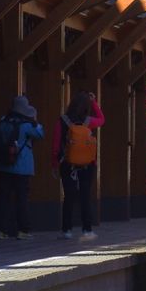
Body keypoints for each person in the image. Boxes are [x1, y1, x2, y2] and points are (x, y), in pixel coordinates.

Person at [0, 95, 43, 239]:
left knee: (3, 198)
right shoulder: (26, 125)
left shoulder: (3, 121)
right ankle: (23, 230)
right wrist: (35, 121)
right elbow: (40, 134)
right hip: (22, 167)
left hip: (4, 165)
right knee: (22, 198)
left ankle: (1, 230)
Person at [55, 91, 104, 240]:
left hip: (67, 164)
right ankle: (87, 230)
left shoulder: (62, 121)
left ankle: (66, 230)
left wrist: (54, 164)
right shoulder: (88, 121)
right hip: (87, 164)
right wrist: (94, 103)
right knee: (85, 196)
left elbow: (56, 145)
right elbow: (102, 120)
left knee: (68, 196)